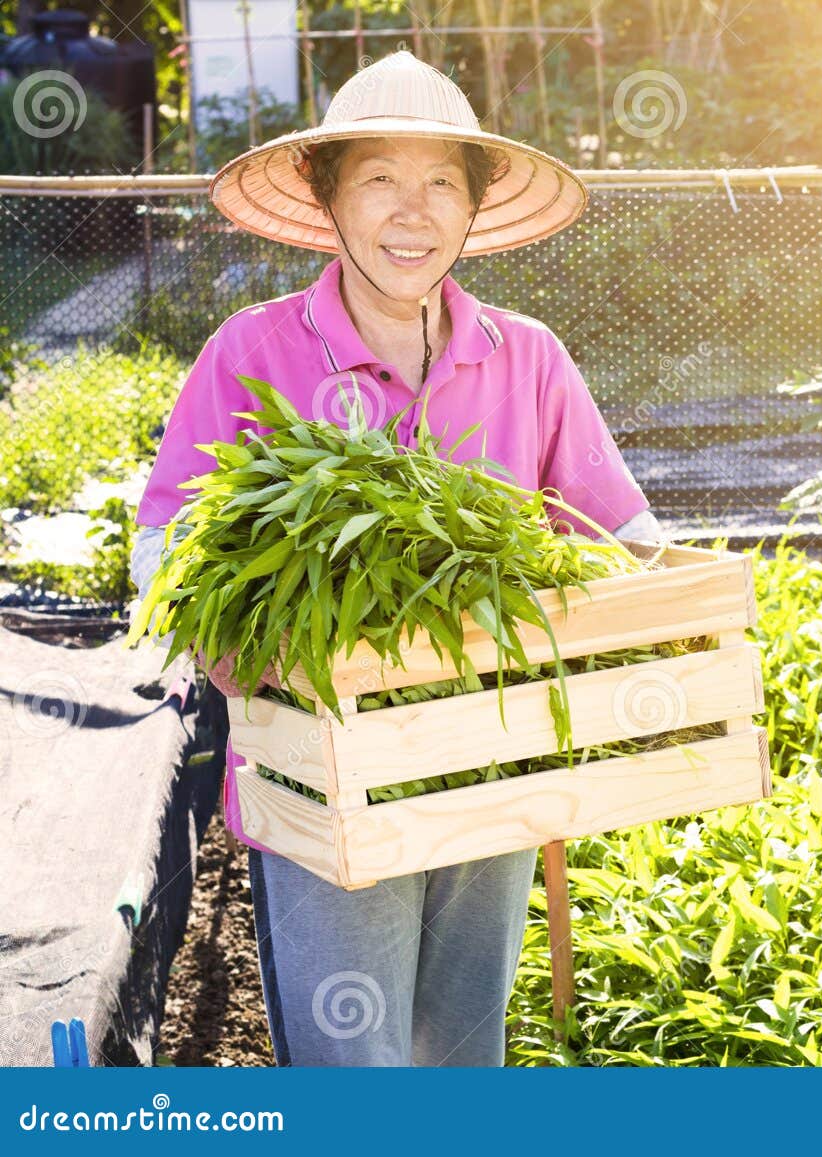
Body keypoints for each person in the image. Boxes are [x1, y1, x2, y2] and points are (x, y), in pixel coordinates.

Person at [130, 49, 665, 1066]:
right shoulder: (252, 352)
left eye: (440, 185)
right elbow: (166, 551)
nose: (411, 212)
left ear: (472, 210)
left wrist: (679, 600)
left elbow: (620, 535)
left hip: (488, 759)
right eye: (379, 179)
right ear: (329, 200)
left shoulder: (529, 357)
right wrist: (258, 650)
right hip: (324, 774)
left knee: (461, 1048)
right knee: (355, 1064)